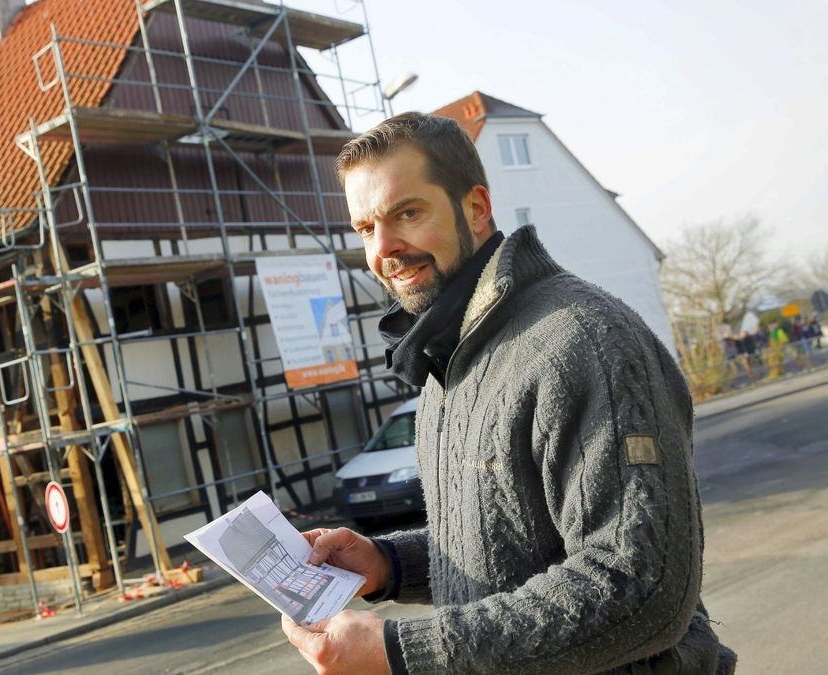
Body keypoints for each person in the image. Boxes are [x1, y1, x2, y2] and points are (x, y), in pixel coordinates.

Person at [280, 113, 736, 673]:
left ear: (475, 208)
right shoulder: (449, 362)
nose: (385, 248)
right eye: (366, 228)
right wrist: (387, 564)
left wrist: (401, 652)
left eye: (408, 213)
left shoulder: (584, 340)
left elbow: (638, 589)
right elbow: (509, 546)